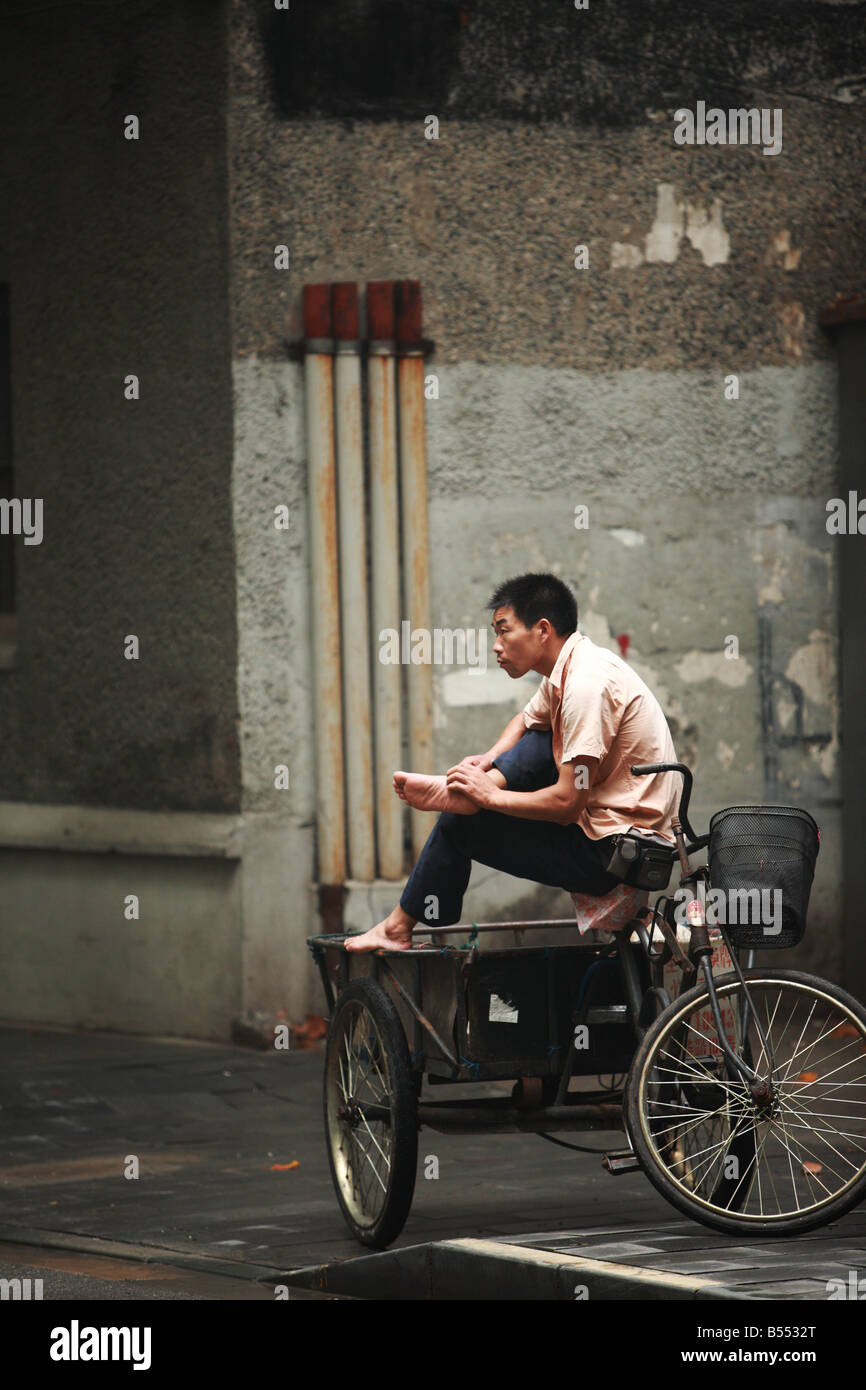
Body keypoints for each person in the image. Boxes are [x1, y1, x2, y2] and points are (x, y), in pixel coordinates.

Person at [345, 572, 679, 952]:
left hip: (616, 853)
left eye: (504, 631)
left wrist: (490, 798)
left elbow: (568, 803)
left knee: (461, 824)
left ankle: (396, 928)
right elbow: (525, 720)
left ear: (542, 630)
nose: (497, 647)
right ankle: (470, 793)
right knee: (536, 735)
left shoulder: (587, 686)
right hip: (609, 834)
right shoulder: (572, 668)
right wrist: (488, 762)